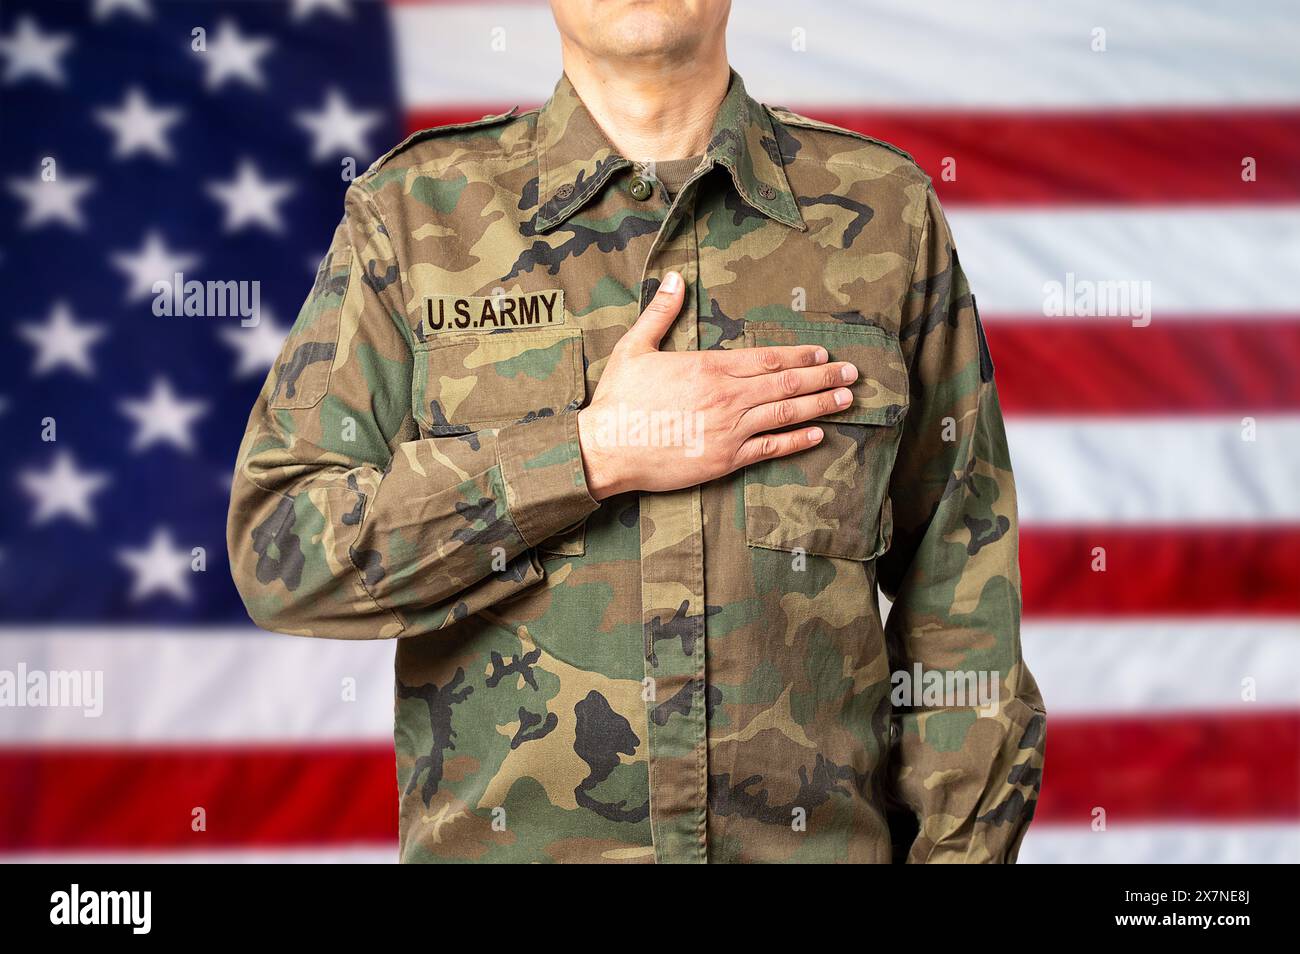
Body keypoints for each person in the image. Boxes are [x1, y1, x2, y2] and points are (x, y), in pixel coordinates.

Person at [228, 0, 1046, 863]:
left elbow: (963, 607)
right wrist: (588, 454)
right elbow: (280, 551)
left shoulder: (885, 211)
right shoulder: (413, 217)